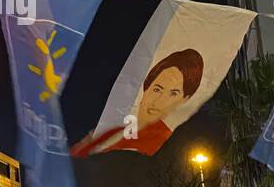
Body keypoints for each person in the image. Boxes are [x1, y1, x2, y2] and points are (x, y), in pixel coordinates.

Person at [72, 49, 203, 156]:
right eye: (157, 89)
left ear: (184, 100)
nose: (159, 101)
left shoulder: (164, 145)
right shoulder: (112, 126)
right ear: (146, 87)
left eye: (173, 93)